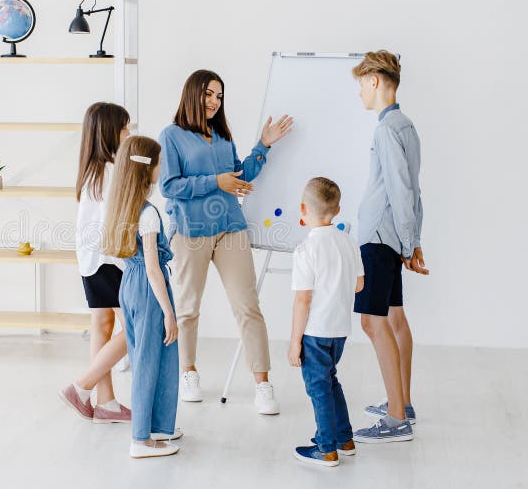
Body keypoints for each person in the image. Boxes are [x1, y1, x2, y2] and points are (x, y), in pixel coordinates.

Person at [159, 69, 293, 413]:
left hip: (230, 227)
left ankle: (263, 383)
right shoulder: (171, 136)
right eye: (208, 94)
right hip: (191, 231)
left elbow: (239, 177)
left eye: (219, 96)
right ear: (192, 94)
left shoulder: (222, 136)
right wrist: (215, 181)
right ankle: (187, 372)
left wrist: (263, 145)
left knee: (248, 306)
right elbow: (169, 186)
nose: (214, 102)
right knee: (187, 309)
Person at [350, 50, 428, 444]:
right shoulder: (406, 126)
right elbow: (413, 190)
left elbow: (400, 189)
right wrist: (413, 242)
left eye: (362, 83)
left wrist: (408, 241)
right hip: (393, 238)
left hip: (379, 237)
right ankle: (402, 403)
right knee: (395, 318)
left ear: (376, 81)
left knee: (372, 321)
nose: (360, 92)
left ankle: (397, 418)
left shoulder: (385, 129)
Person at [103, 136, 182, 458]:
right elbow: (153, 269)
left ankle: (156, 427)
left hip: (129, 285)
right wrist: (169, 312)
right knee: (150, 361)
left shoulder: (124, 205)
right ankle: (141, 439)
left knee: (144, 358)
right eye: (159, 163)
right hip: (149, 289)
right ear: (147, 168)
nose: (162, 169)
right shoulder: (148, 213)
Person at [59, 102, 132, 424]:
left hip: (90, 260)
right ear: (110, 132)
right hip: (109, 261)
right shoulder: (111, 171)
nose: (130, 133)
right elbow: (113, 224)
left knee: (102, 327)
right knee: (136, 327)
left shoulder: (92, 170)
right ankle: (82, 386)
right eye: (126, 127)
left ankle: (107, 404)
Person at [288, 178, 364, 467]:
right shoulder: (348, 241)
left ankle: (326, 447)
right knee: (330, 380)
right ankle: (344, 438)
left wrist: (295, 342)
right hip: (340, 330)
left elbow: (303, 300)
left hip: (315, 331)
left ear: (303, 209)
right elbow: (358, 285)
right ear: (338, 209)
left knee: (318, 387)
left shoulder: (306, 250)